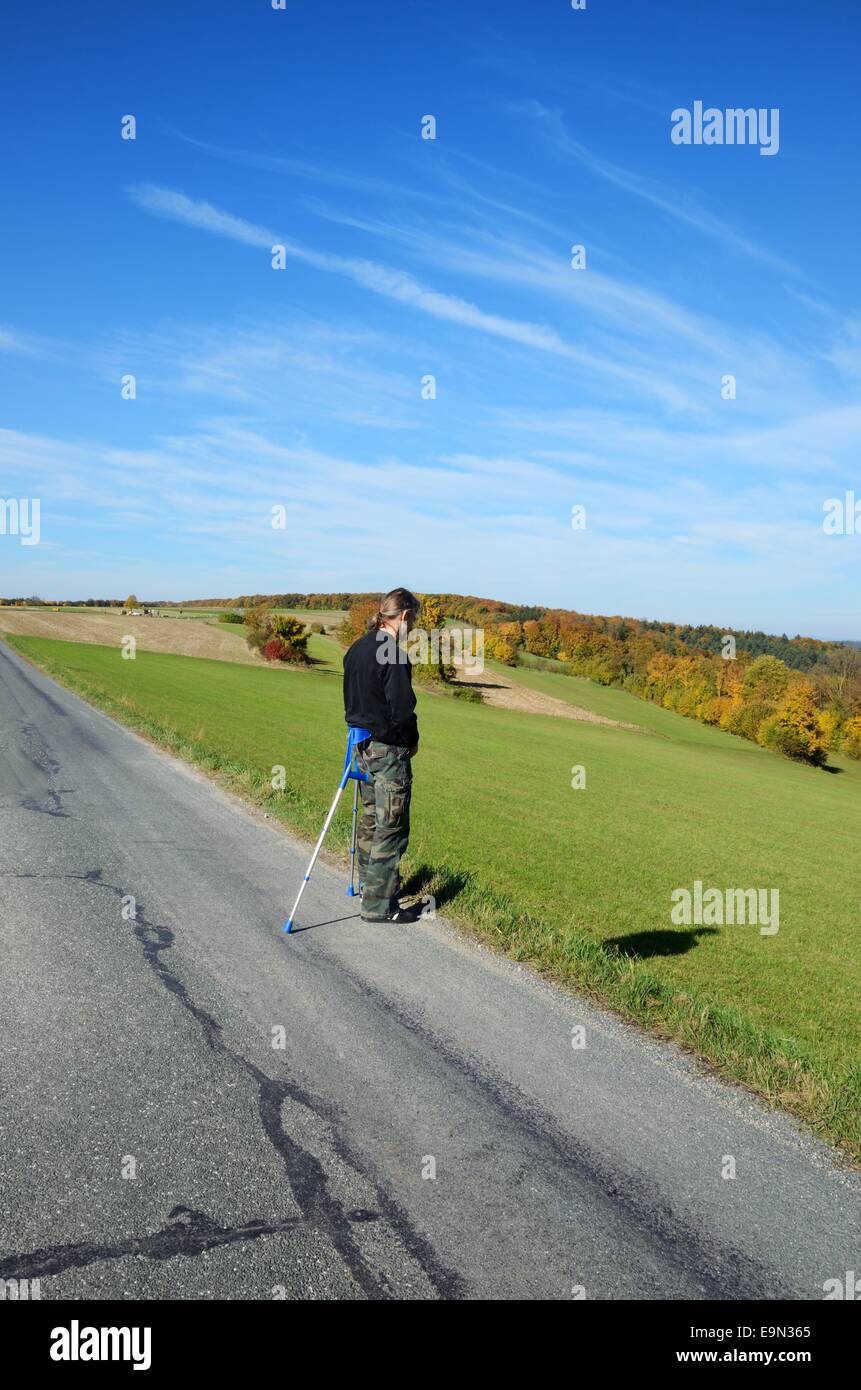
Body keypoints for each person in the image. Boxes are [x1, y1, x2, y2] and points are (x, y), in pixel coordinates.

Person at [343, 588, 423, 924]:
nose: (413, 626)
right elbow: (403, 712)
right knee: (391, 826)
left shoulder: (356, 649)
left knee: (372, 819)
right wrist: (412, 742)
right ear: (403, 616)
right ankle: (379, 906)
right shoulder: (394, 655)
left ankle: (370, 885)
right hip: (388, 751)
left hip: (360, 747)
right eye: (413, 620)